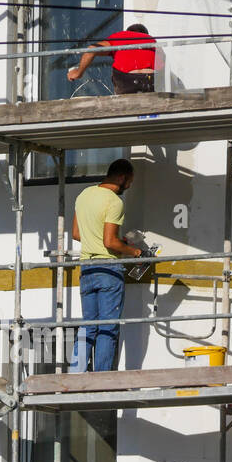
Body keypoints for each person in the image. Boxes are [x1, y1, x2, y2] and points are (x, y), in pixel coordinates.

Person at [71, 159, 143, 372]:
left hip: (87, 269)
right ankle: (101, 377)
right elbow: (110, 242)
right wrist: (134, 251)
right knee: (108, 327)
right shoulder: (115, 202)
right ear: (122, 177)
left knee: (88, 326)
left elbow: (76, 234)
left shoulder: (84, 195)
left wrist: (116, 241)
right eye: (129, 182)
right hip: (109, 270)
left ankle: (76, 374)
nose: (129, 186)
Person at [66, 23, 158, 94]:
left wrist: (78, 73)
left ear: (127, 32)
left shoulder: (121, 36)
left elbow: (92, 49)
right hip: (150, 79)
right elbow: (161, 68)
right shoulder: (152, 42)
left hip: (127, 79)